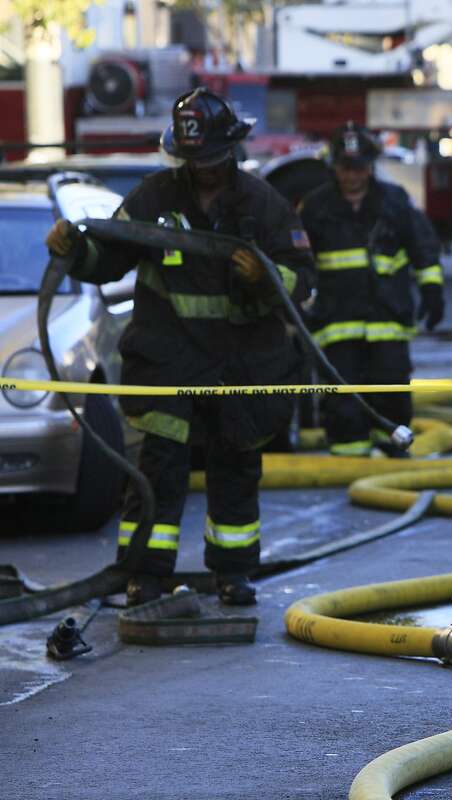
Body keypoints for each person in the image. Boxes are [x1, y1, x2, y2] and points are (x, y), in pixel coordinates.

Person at [44, 88, 317, 606]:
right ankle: (143, 575)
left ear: (231, 149)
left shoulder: (264, 205)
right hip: (168, 360)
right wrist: (76, 250)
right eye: (195, 161)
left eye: (212, 159)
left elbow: (305, 283)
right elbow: (109, 258)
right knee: (158, 470)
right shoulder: (154, 198)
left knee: (235, 469)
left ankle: (233, 574)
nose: (204, 171)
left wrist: (267, 276)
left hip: (241, 365)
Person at [299, 121, 445, 457]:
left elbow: (424, 246)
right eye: (346, 168)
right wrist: (300, 306)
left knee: (392, 394)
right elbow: (299, 261)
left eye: (359, 168)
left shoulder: (394, 202)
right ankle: (349, 463)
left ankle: (393, 457)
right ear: (334, 167)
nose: (352, 176)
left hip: (387, 320)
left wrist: (433, 291)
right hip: (337, 323)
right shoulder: (315, 207)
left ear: (370, 167)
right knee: (343, 401)